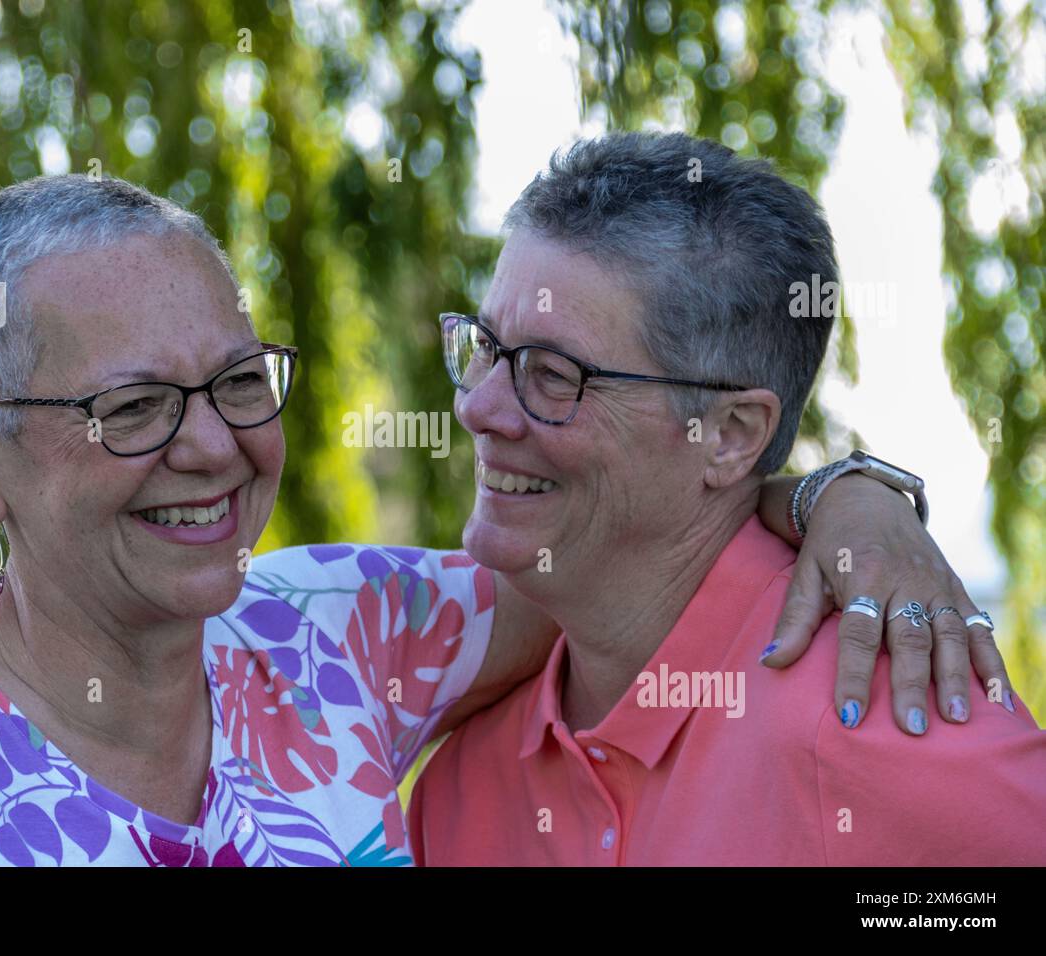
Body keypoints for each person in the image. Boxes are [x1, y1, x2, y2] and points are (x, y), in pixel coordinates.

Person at [0, 174, 995, 866]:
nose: (212, 443)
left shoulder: (329, 637)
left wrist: (846, 492)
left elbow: (629, 540)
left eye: (238, 380)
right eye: (131, 406)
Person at [408, 132, 1046, 866]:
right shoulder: (460, 787)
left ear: (730, 435)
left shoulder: (877, 721)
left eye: (553, 374)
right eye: (485, 347)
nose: (478, 408)